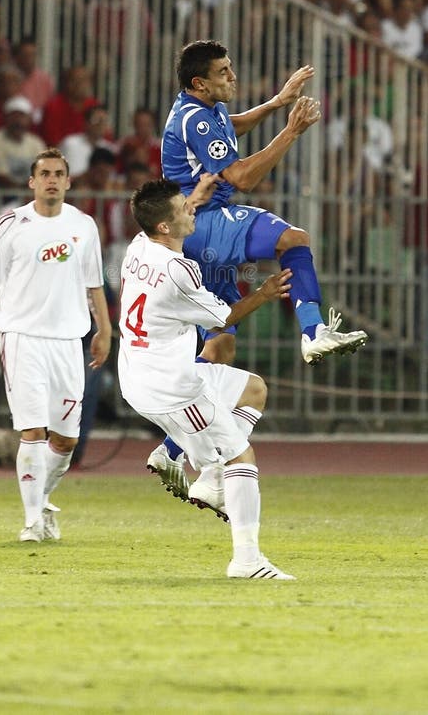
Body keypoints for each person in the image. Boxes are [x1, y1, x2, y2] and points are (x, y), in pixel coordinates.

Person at [147, 40, 367, 490]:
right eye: (223, 72)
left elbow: (233, 125)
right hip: (204, 223)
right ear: (199, 82)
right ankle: (312, 332)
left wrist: (276, 102)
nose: (232, 76)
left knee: (221, 348)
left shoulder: (200, 110)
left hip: (193, 235)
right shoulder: (194, 118)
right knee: (294, 239)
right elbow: (243, 179)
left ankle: (169, 450)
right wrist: (290, 130)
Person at [118, 176, 295, 579]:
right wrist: (265, 293)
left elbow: (173, 218)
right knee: (240, 455)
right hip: (171, 388)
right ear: (165, 226)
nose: (190, 210)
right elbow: (223, 318)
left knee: (252, 388)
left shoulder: (137, 246)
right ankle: (246, 560)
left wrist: (193, 197)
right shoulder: (180, 272)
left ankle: (211, 477)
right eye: (183, 208)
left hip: (143, 372)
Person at [0, 147, 112, 542]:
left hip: (69, 340)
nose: (51, 179)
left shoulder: (84, 226)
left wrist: (105, 330)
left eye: (58, 173)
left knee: (65, 439)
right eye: (44, 173)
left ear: (68, 180)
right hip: (22, 337)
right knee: (32, 430)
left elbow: (94, 283)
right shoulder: (10, 223)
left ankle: (42, 500)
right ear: (32, 182)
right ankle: (32, 520)